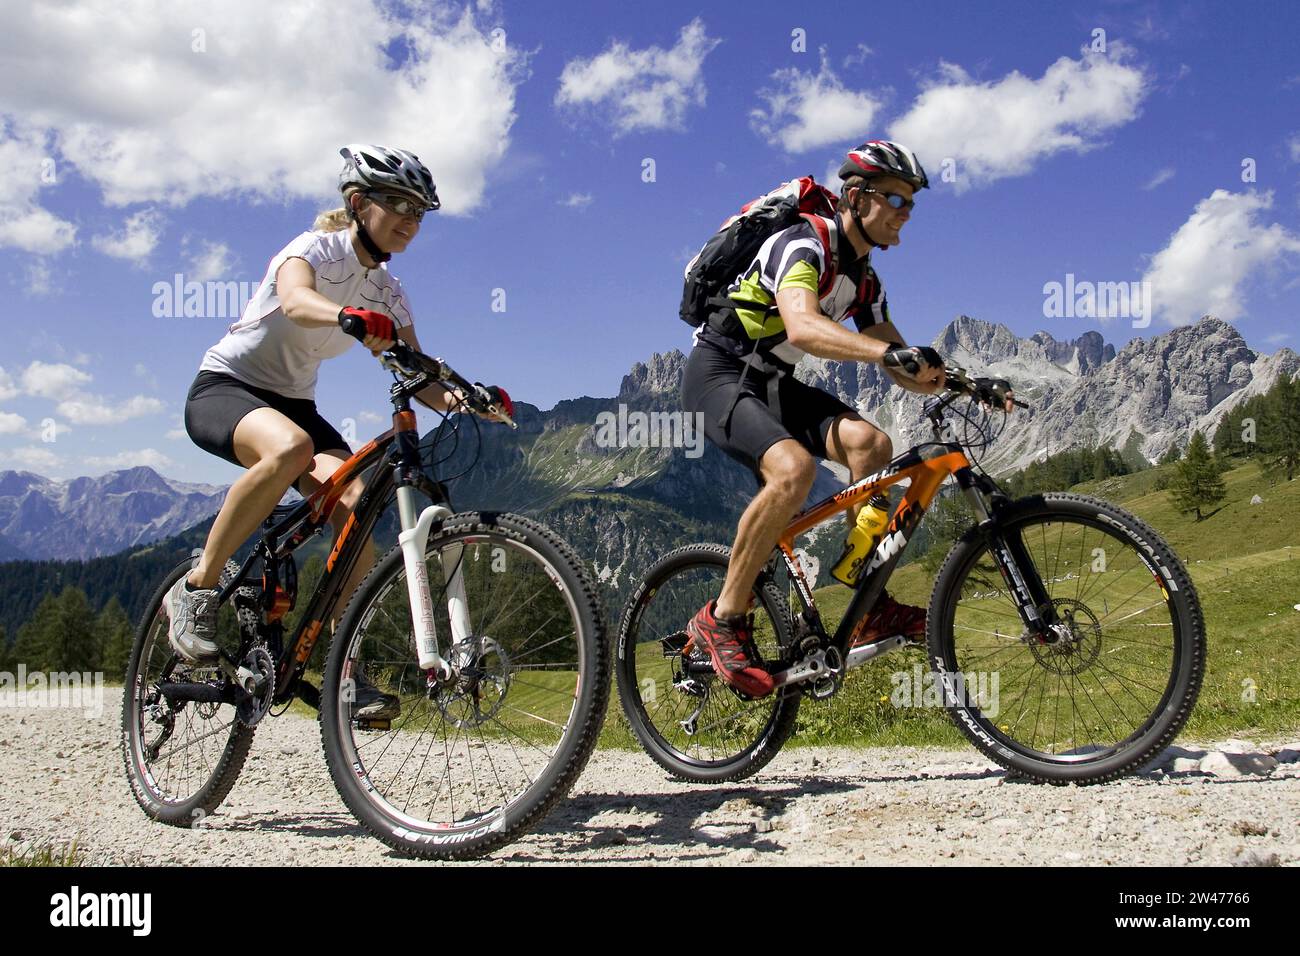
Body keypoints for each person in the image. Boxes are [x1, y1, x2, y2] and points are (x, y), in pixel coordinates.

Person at [167, 144, 461, 719]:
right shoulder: (313, 250)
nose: (410, 219)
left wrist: (466, 399)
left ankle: (346, 672)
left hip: (295, 406)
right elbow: (298, 302)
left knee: (355, 503)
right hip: (227, 388)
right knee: (291, 448)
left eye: (420, 210)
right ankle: (197, 589)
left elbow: (415, 370)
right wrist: (346, 318)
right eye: (398, 203)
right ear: (358, 202)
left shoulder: (390, 291)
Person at [681, 140, 955, 698]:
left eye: (912, 204)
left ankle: (867, 604)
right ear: (857, 197)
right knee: (793, 469)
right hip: (720, 373)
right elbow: (803, 327)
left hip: (775, 384)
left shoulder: (866, 279)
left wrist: (964, 381)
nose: (906, 213)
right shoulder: (805, 244)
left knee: (871, 445)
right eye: (897, 199)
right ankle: (722, 618)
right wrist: (883, 356)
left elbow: (904, 363)